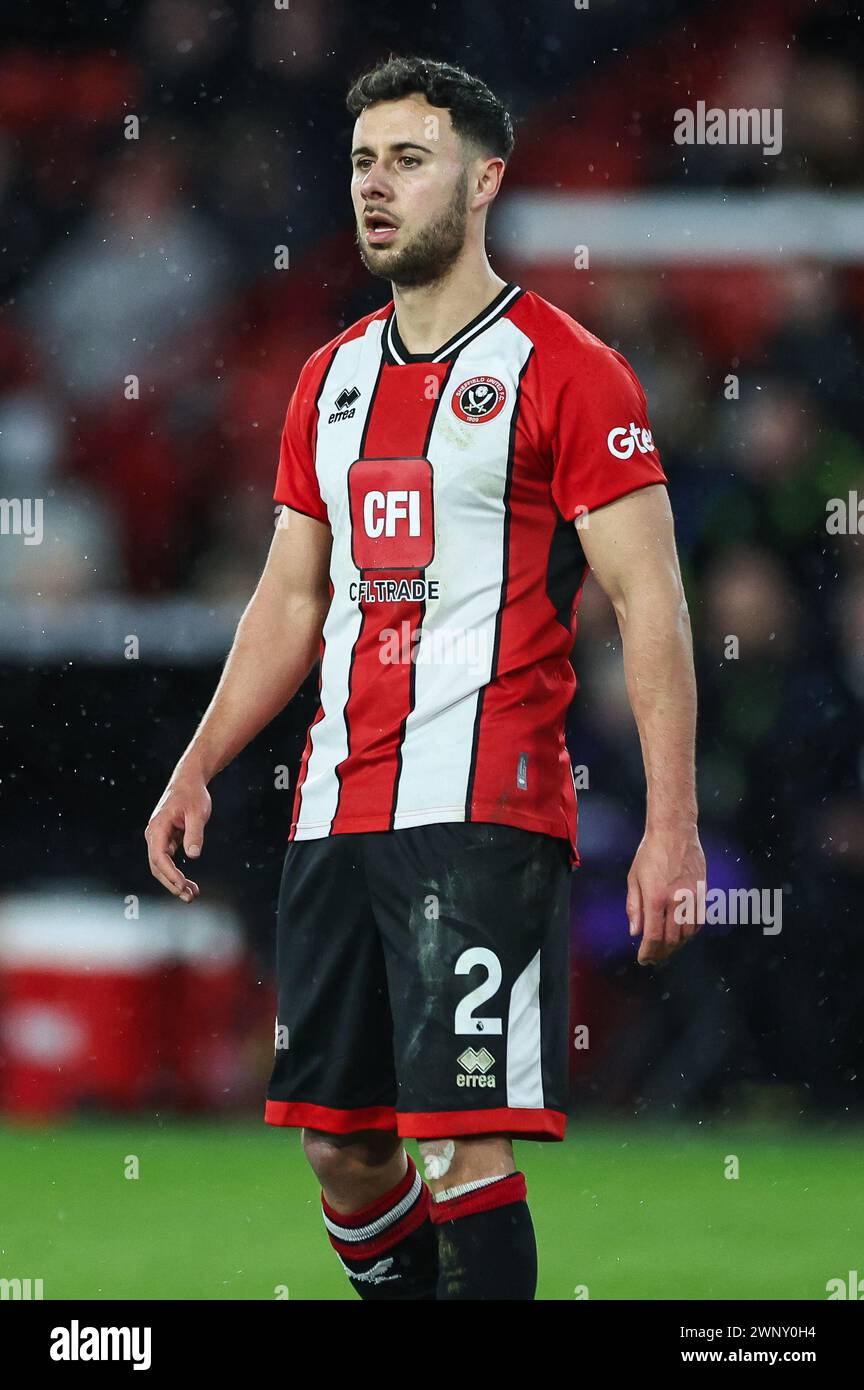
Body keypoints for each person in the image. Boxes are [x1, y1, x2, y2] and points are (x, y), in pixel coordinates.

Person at [146, 54, 705, 1301]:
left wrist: (670, 822)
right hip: (337, 804)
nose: (375, 188)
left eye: (408, 159)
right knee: (345, 1149)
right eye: (360, 163)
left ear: (485, 178)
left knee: (455, 1140)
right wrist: (199, 761)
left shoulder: (569, 370)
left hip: (485, 808)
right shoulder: (327, 378)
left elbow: (647, 599)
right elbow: (290, 599)